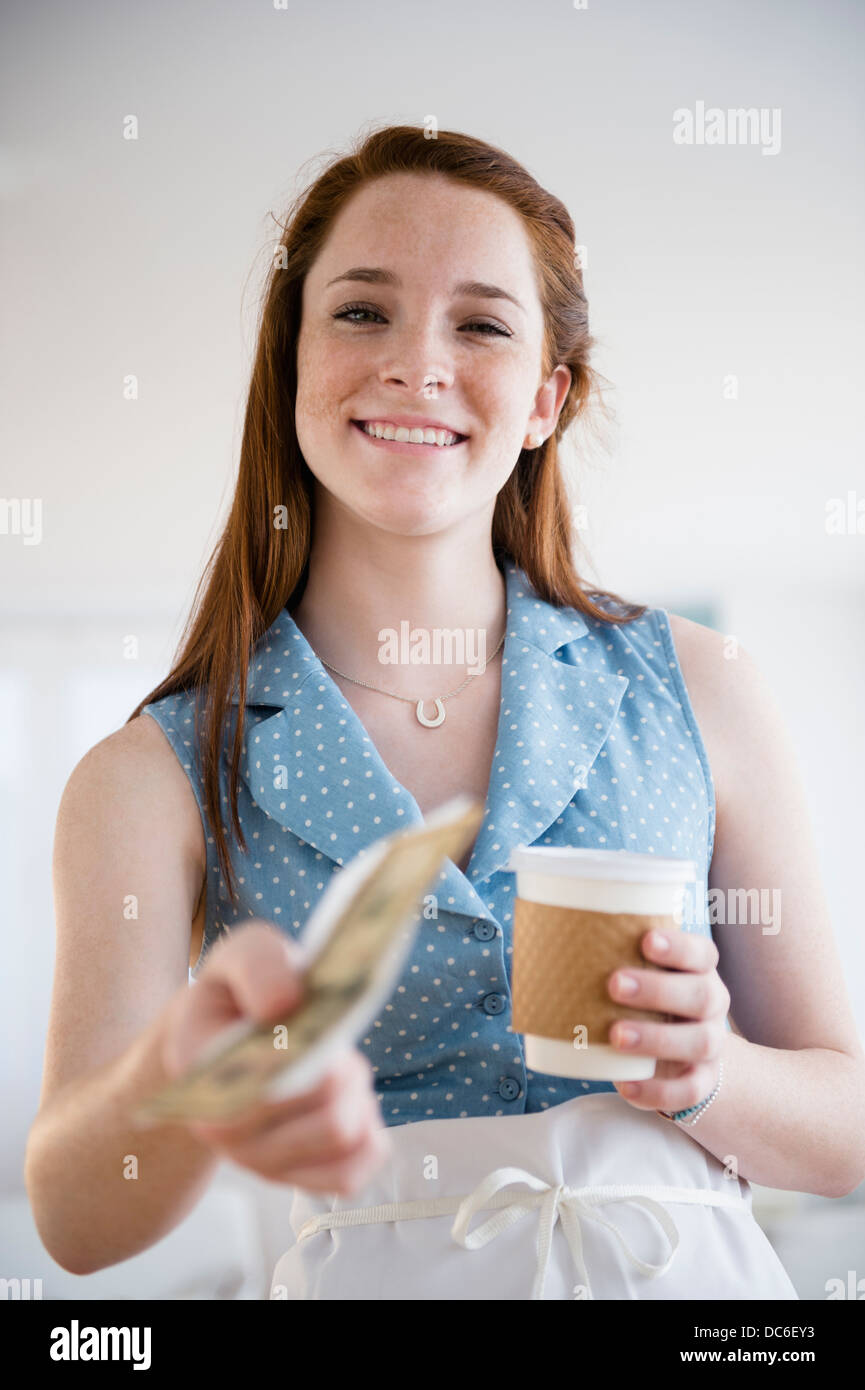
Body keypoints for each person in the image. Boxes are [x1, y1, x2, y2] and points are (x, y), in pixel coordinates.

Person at [25, 125, 865, 1300]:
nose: (417, 363)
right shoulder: (156, 770)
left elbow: (845, 1131)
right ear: (292, 362)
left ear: (544, 399)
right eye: (361, 312)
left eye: (479, 323)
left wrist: (706, 1067)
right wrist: (190, 1079)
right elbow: (72, 1209)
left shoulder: (701, 684)